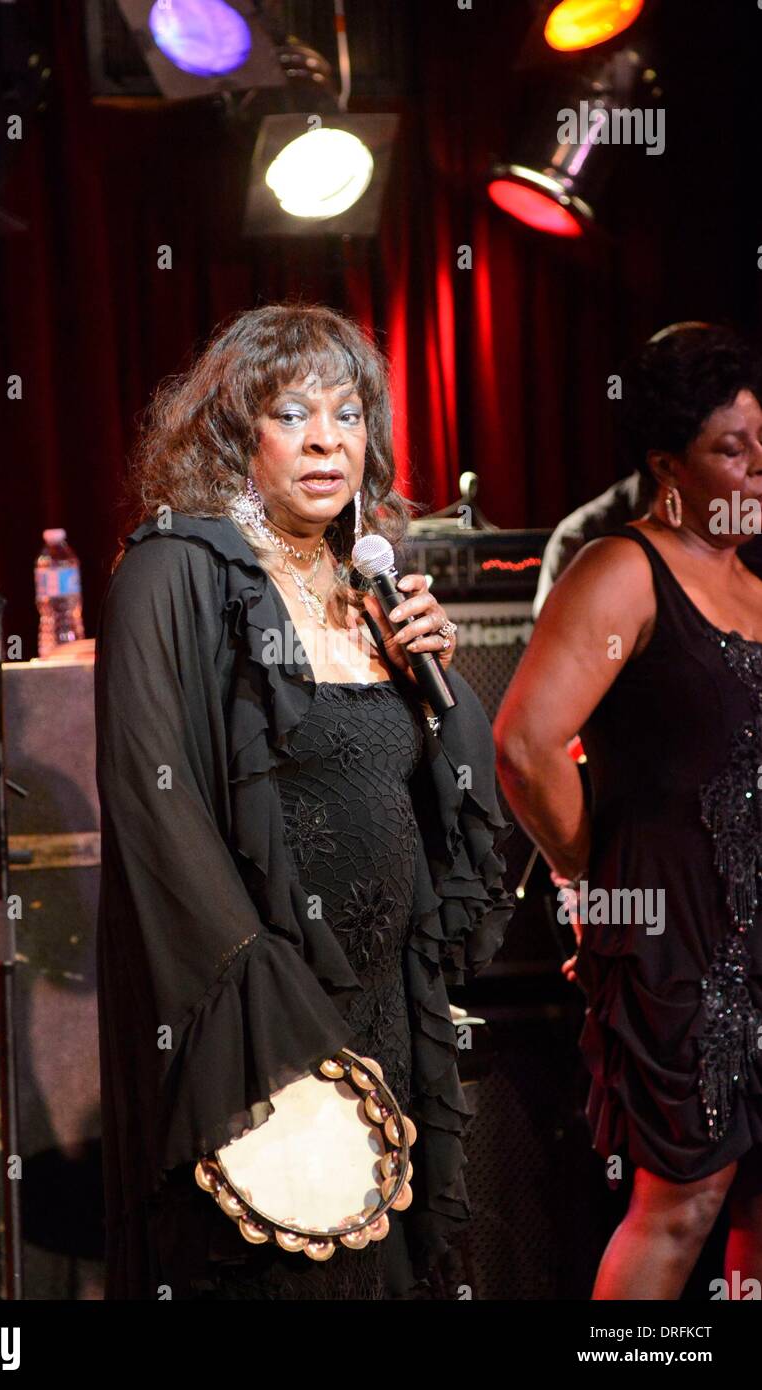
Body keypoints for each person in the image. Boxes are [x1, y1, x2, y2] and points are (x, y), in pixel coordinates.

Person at [94, 303, 514, 1300]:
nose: (327, 438)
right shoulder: (175, 570)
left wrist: (436, 688)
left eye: (347, 413)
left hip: (383, 1017)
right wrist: (272, 1032)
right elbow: (155, 808)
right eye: (291, 413)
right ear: (234, 433)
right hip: (263, 1025)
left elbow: (442, 812)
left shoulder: (365, 587)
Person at [494, 322, 762, 1299]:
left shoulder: (748, 581)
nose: (756, 466)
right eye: (729, 449)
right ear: (667, 465)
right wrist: (591, 878)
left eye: (760, 442)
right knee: (680, 1206)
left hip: (754, 928)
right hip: (676, 941)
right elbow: (524, 745)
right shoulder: (621, 570)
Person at [532, 324, 762, 618]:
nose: (759, 460)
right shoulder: (591, 540)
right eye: (733, 450)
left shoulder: (741, 551)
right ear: (665, 467)